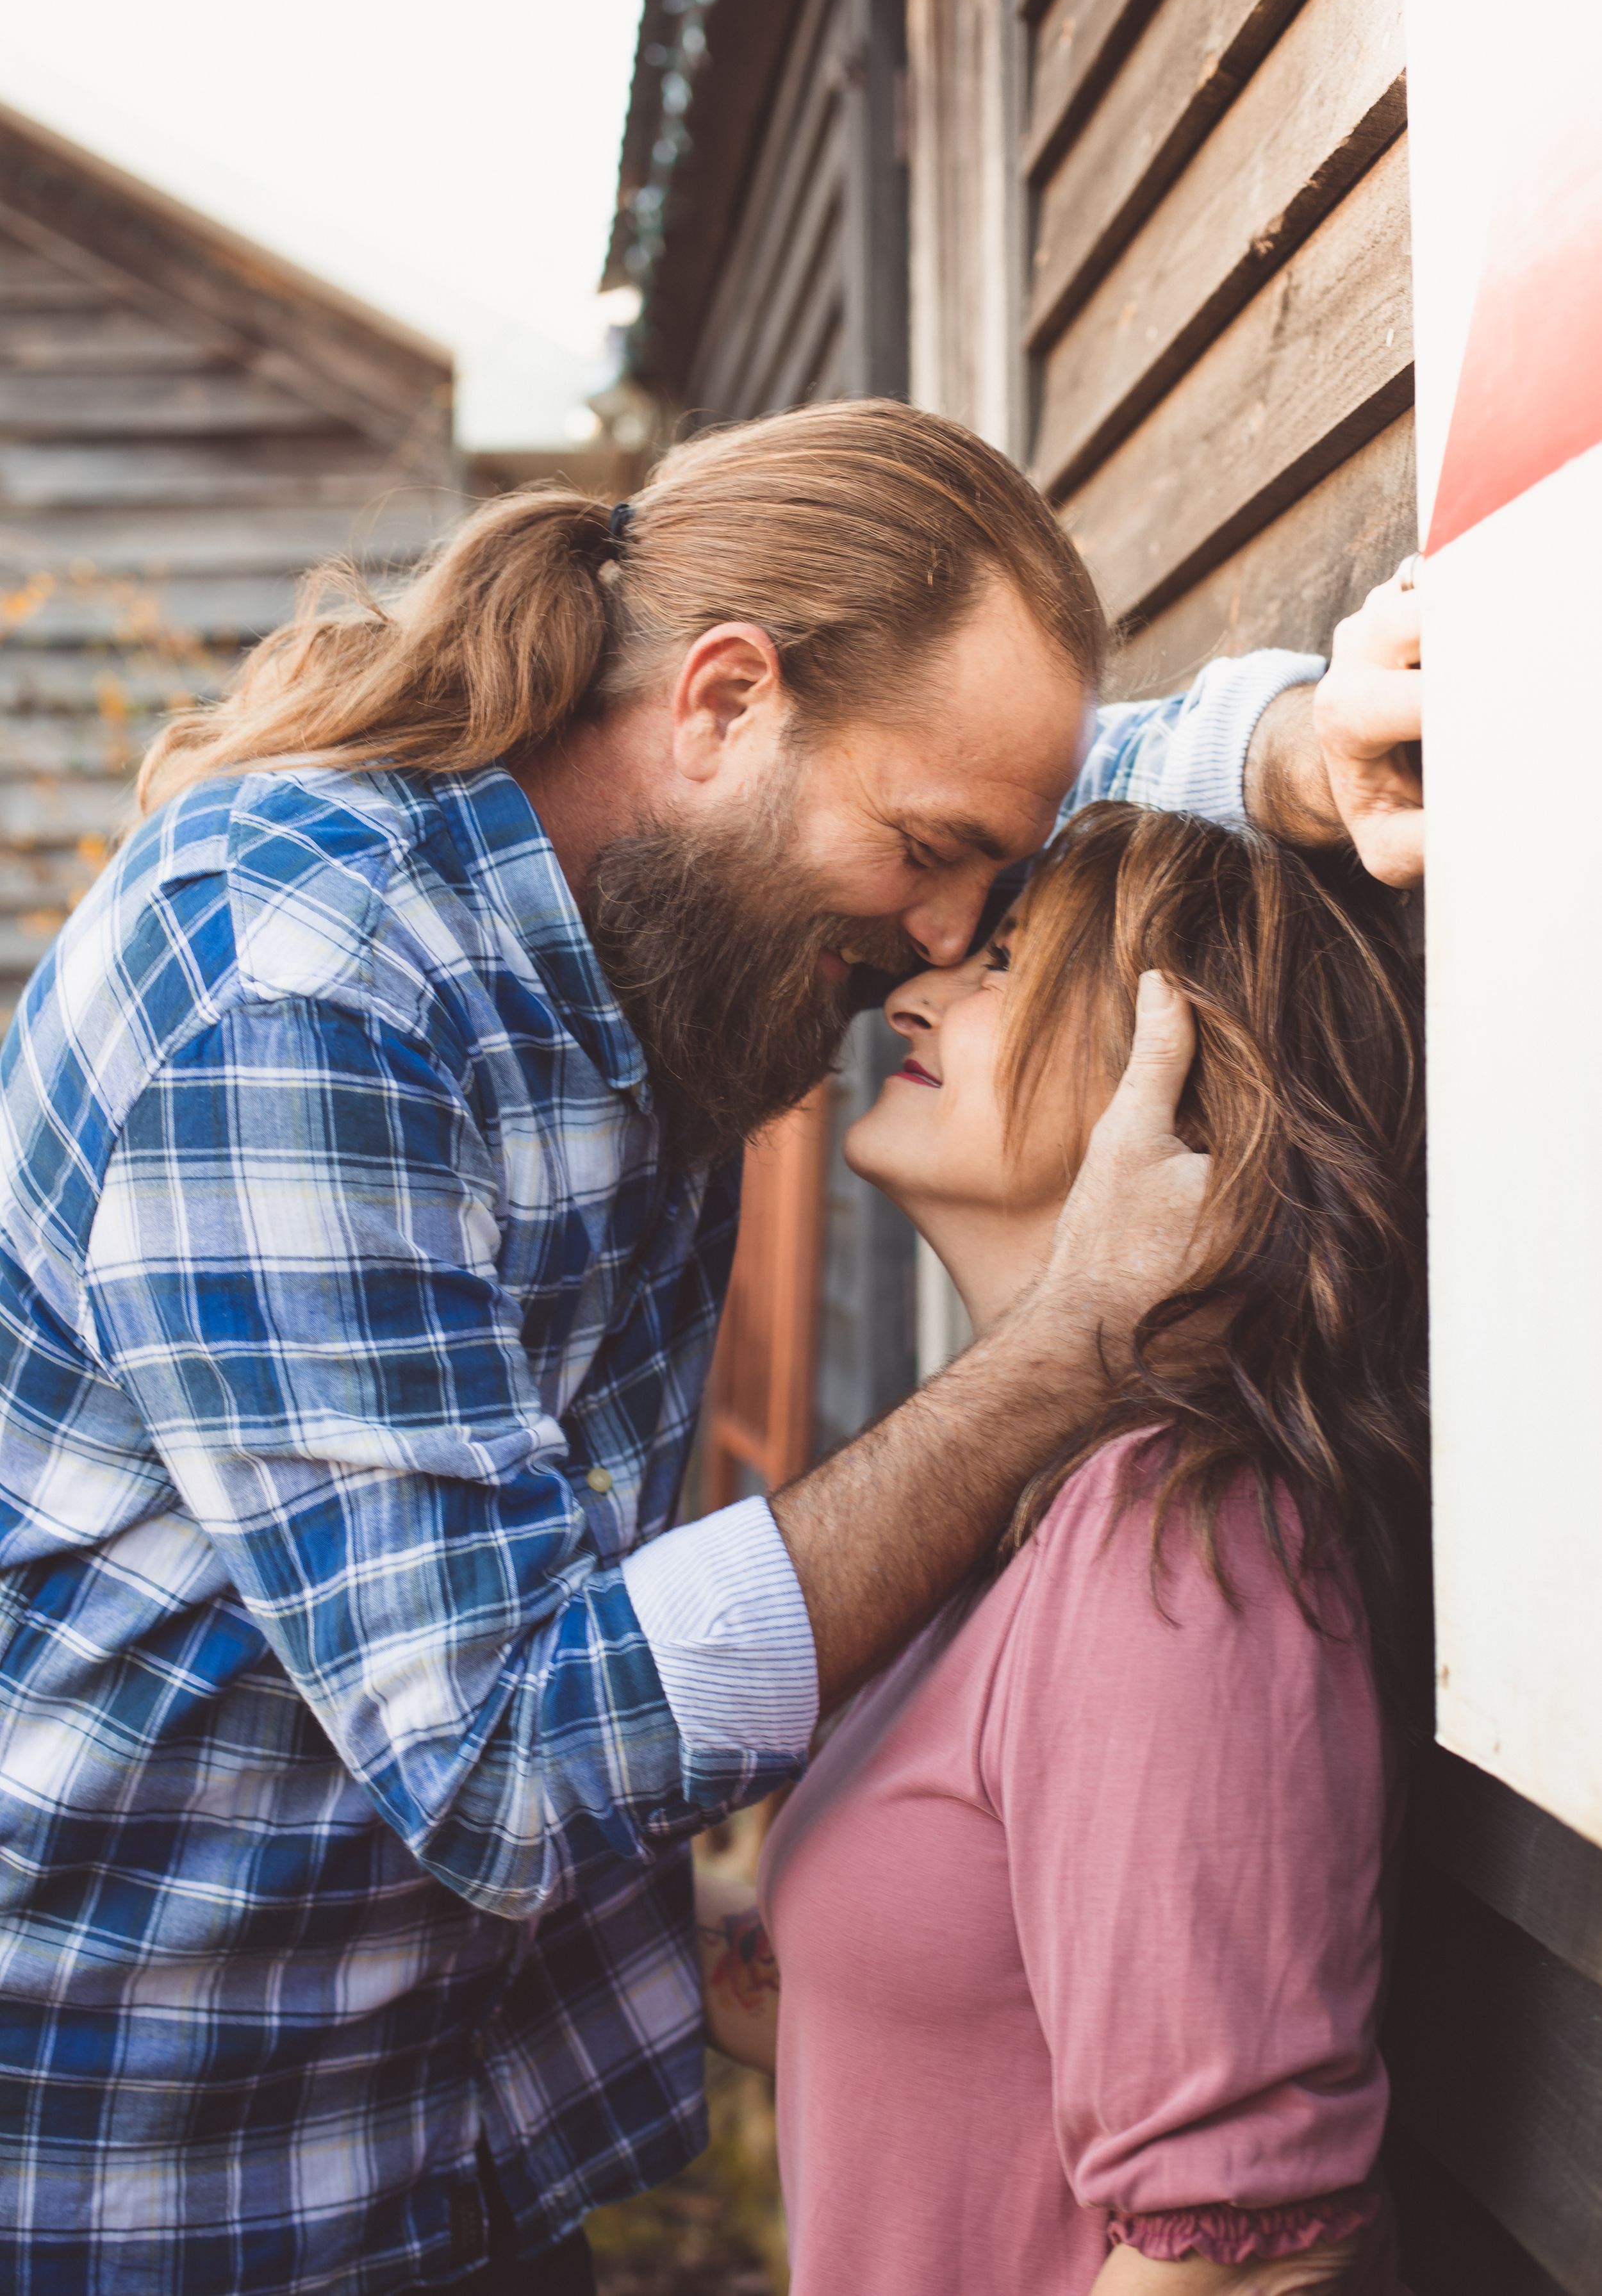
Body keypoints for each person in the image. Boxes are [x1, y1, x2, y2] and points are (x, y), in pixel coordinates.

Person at [0, 399, 1421, 2294]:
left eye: (995, 912)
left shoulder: (674, 888)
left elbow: (1018, 792)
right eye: (934, 863)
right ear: (721, 700)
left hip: (454, 2138)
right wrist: (1063, 1350)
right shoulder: (302, 994)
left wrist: (1283, 746)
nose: (938, 936)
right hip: (173, 2178)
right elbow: (508, 1749)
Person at [700, 801, 1428, 2295]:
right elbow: (979, 2033)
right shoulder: (1024, 1517)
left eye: (1007, 962)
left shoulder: (1179, 1542)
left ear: (1176, 1086)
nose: (909, 993)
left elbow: (1238, 2253)